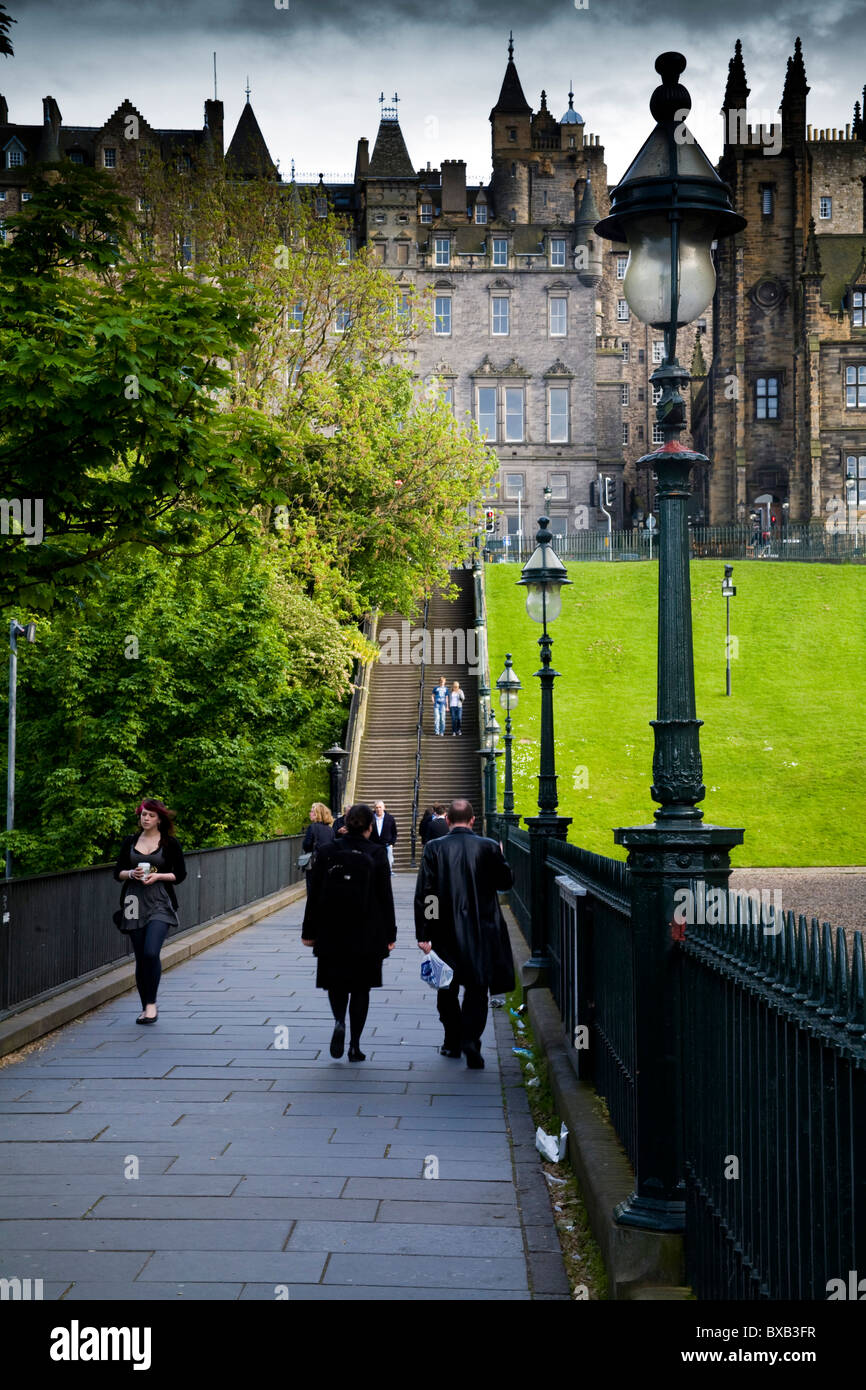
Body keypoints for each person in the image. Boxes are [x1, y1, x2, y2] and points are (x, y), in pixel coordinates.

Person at [414, 798, 514, 1069]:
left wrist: (426, 930)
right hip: (483, 929)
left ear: (447, 821)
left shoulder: (434, 848)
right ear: (472, 821)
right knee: (477, 988)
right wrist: (500, 857)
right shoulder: (489, 847)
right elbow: (505, 883)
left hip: (445, 930)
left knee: (446, 987)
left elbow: (428, 893)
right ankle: (471, 1039)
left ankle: (453, 1039)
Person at [301, 803, 396, 1062]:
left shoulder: (328, 850)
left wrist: (309, 930)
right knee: (362, 988)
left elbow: (315, 894)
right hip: (368, 930)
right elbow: (385, 896)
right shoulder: (376, 853)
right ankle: (355, 1044)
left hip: (332, 929)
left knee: (336, 982)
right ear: (368, 826)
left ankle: (339, 1020)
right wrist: (390, 934)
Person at [114, 799, 187, 1025]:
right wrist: (130, 874)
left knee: (150, 953)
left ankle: (152, 1004)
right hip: (133, 900)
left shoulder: (170, 843)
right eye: (143, 814)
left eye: (150, 815)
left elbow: (180, 874)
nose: (145, 818)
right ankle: (145, 1007)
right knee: (140, 957)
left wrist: (158, 876)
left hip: (159, 901)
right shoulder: (130, 841)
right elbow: (117, 872)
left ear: (159, 819)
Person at [302, 802, 335, 894]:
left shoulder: (312, 828)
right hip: (327, 864)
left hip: (314, 864)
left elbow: (306, 845)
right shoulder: (330, 830)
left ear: (317, 814)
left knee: (312, 891)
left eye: (312, 811)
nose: (310, 813)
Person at [371, 799, 397, 872]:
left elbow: (394, 832)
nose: (378, 809)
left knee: (388, 864)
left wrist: (392, 843)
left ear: (384, 807)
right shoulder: (370, 818)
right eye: (377, 807)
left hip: (386, 845)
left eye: (380, 807)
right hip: (374, 844)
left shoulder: (390, 818)